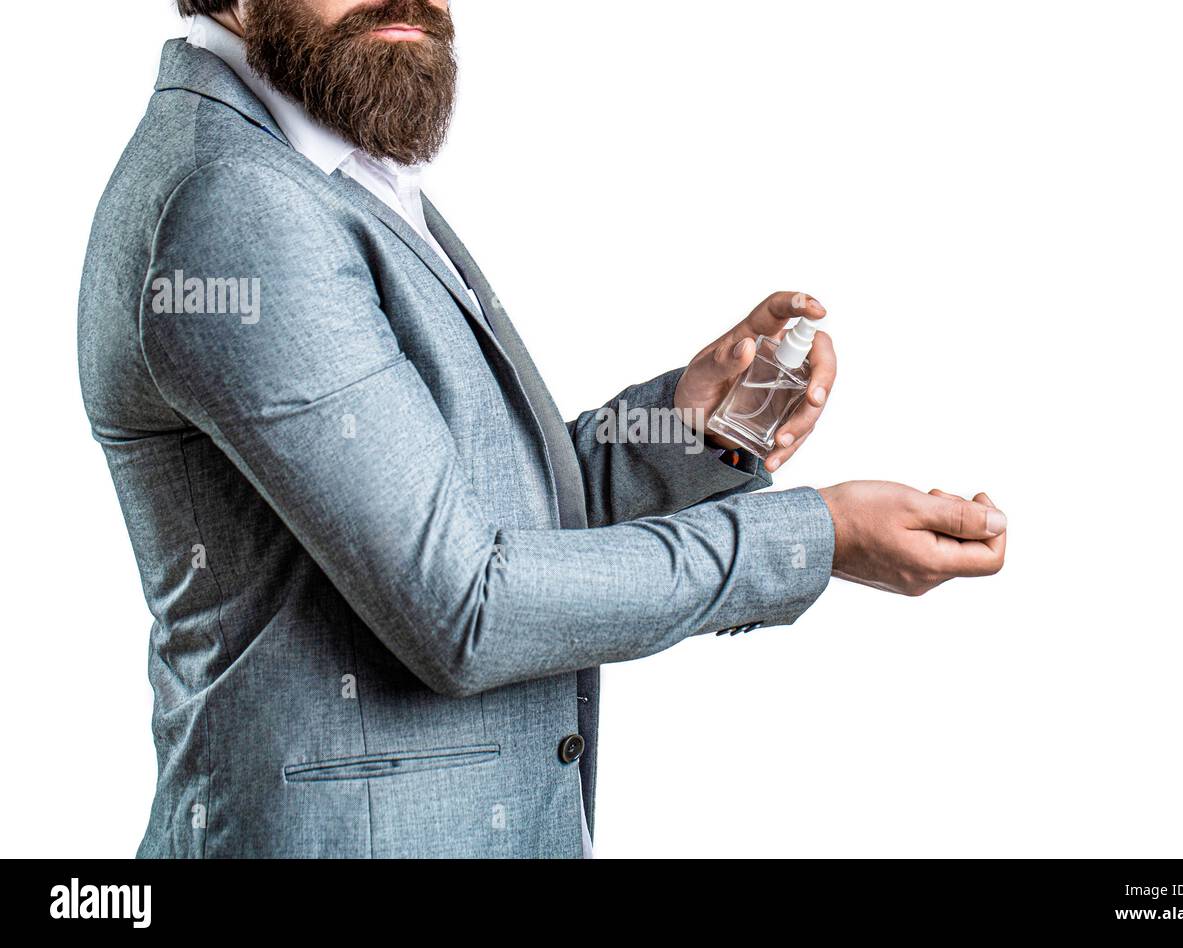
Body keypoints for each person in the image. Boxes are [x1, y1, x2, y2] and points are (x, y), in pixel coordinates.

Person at [78, 0, 1006, 858]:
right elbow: (467, 606)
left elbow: (466, 518)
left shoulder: (329, 167)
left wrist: (687, 431)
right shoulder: (237, 205)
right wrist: (815, 537)